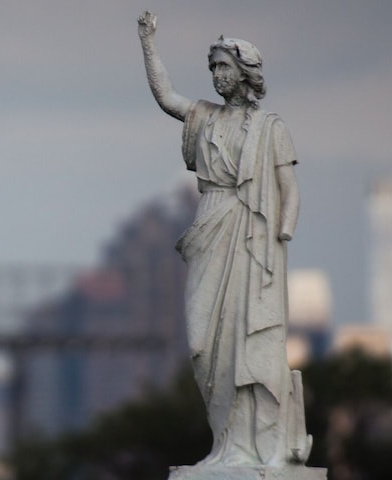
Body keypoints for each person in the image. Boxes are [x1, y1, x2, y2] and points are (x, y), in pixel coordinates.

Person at [138, 11, 307, 467]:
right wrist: (148, 45)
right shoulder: (203, 117)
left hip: (253, 235)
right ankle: (225, 443)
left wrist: (279, 236)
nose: (216, 76)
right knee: (203, 342)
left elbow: (289, 192)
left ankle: (254, 445)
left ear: (245, 73)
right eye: (213, 68)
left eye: (223, 67)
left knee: (249, 339)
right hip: (211, 225)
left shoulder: (271, 128)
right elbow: (165, 96)